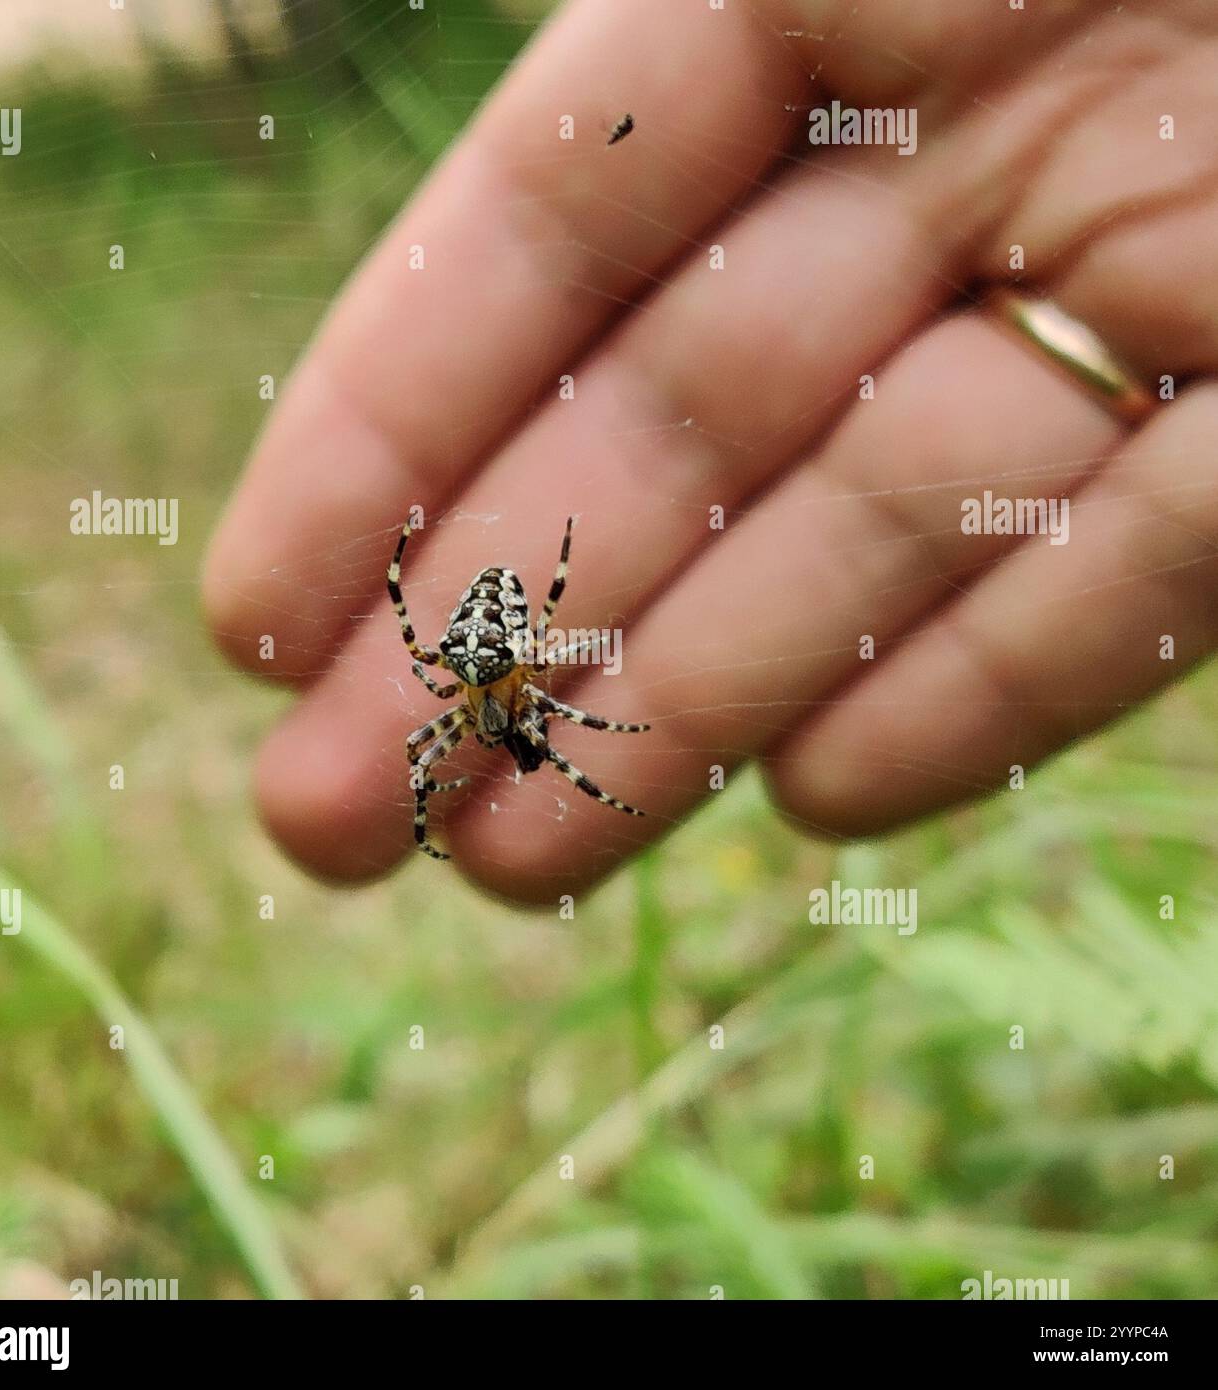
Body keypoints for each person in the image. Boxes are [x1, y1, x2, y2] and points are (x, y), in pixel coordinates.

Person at [202, 0, 1218, 902]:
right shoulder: (495, 682)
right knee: (450, 755)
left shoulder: (491, 680)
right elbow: (496, 644)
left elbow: (495, 641)